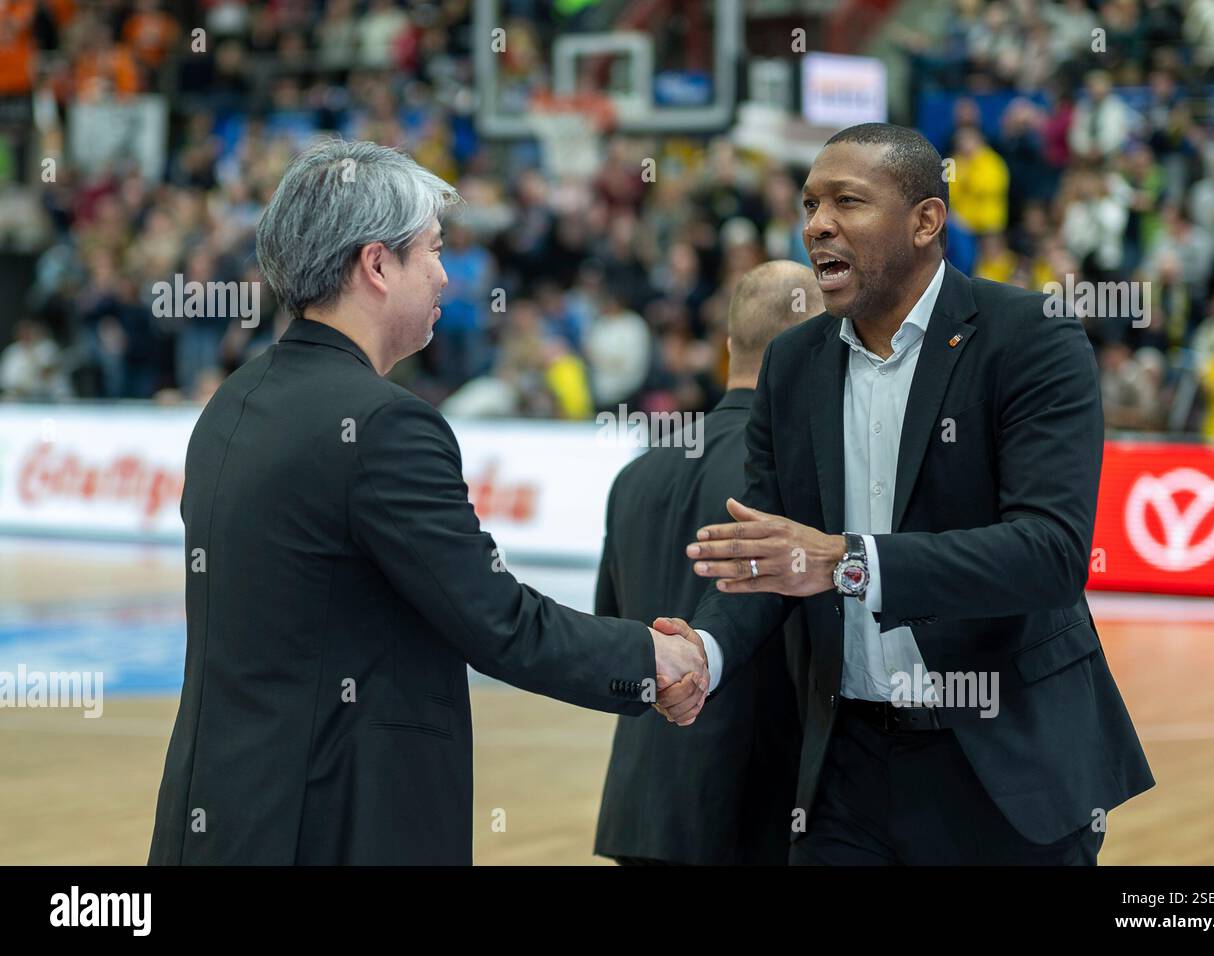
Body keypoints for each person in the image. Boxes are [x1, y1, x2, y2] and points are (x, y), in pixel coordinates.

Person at [148, 139, 708, 865]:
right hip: (332, 825)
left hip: (217, 818)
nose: (448, 275)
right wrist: (650, 657)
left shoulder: (230, 403)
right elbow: (496, 619)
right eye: (434, 251)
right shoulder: (385, 425)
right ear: (377, 265)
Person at [659, 123, 1155, 865]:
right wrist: (707, 649)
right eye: (809, 204)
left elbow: (1050, 553)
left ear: (926, 221)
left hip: (1003, 764)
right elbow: (773, 559)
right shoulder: (793, 364)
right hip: (845, 769)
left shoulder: (1029, 338)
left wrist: (848, 562)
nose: (817, 223)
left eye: (847, 202)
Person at [593, 261, 821, 866]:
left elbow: (611, 625)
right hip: (750, 809)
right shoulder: (799, 473)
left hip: (640, 805)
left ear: (728, 345)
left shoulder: (636, 473)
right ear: (814, 352)